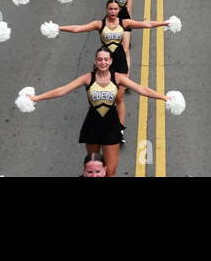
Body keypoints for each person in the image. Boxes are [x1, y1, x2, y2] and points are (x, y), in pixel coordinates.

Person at [24, 47, 171, 177]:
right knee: (94, 168)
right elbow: (62, 90)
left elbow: (142, 89)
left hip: (111, 126)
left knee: (110, 171)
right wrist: (37, 98)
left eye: (106, 59)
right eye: (100, 59)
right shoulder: (88, 78)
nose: (103, 62)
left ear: (111, 61)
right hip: (92, 125)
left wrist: (165, 97)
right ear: (95, 61)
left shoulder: (118, 78)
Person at [56, 2, 172, 133]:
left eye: (115, 9)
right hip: (104, 61)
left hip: (120, 62)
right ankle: (99, 120)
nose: (113, 11)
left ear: (119, 10)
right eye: (110, 9)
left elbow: (147, 24)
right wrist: (58, 28)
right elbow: (78, 28)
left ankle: (120, 129)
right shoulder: (99, 24)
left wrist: (165, 23)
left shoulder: (125, 23)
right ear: (106, 9)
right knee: (99, 90)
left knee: (119, 97)